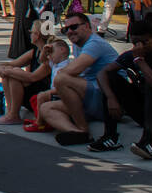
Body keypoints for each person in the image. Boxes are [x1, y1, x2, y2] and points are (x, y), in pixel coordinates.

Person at [89, 20, 152, 159]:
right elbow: (102, 73)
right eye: (135, 43)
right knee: (111, 77)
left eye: (144, 42)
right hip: (146, 113)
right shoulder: (130, 55)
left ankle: (148, 143)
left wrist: (140, 60)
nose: (139, 47)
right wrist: (111, 98)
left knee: (151, 84)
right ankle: (110, 137)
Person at [36, 11, 118, 144]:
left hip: (107, 97)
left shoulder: (94, 43)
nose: (69, 32)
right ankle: (78, 133)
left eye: (73, 27)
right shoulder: (77, 45)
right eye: (65, 29)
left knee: (61, 79)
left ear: (86, 26)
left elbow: (73, 70)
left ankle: (83, 128)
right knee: (45, 108)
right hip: (91, 95)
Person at [0, 23, 51, 125]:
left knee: (14, 73)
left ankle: (14, 115)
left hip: (41, 96)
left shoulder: (48, 55)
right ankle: (11, 112)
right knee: (11, 72)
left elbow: (33, 77)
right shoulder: (34, 52)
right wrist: (0, 67)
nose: (30, 35)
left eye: (31, 32)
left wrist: (8, 71)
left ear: (37, 35)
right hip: (32, 93)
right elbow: (12, 63)